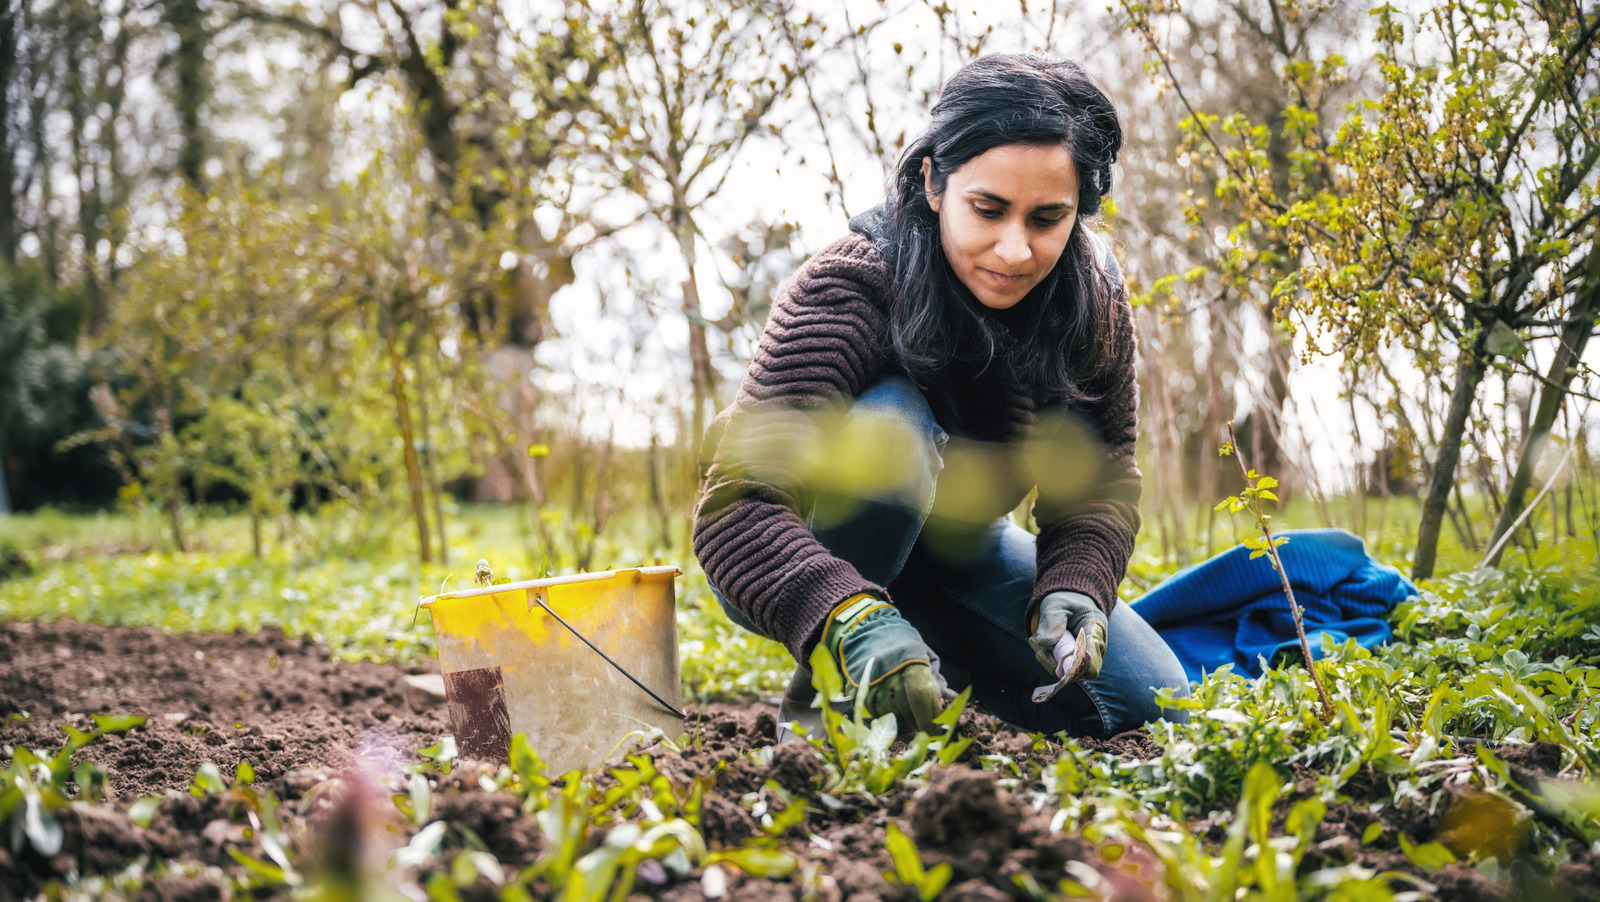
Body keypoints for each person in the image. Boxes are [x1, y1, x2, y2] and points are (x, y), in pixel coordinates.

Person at [692, 53, 1189, 739]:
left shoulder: (1091, 303)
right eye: (988, 209)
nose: (1014, 249)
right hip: (792, 540)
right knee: (892, 431)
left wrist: (1076, 582)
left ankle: (923, 680)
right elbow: (736, 510)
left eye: (1048, 219)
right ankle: (826, 698)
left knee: (1146, 698)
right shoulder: (852, 285)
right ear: (933, 182)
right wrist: (847, 615)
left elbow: (1100, 481)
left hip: (959, 548)